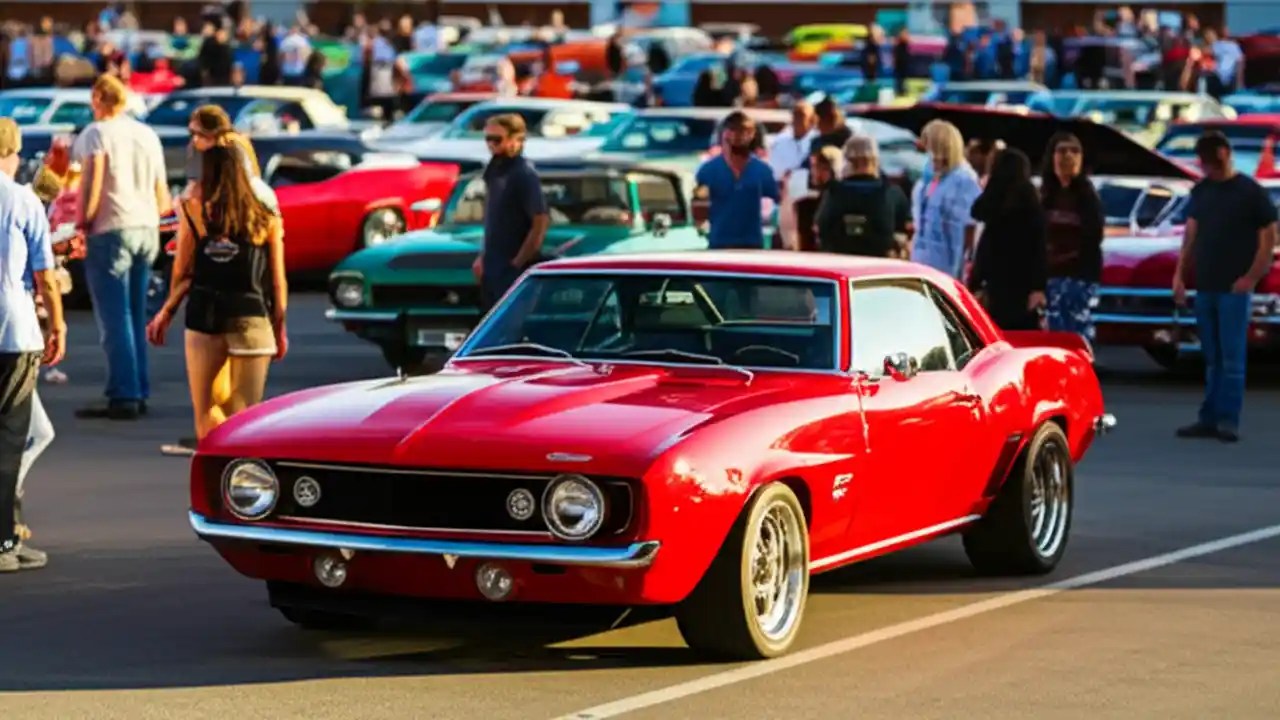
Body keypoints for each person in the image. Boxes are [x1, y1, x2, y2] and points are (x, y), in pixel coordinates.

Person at [146, 140, 288, 445]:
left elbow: (184, 271)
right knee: (248, 417)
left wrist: (166, 312)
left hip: (204, 316)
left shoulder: (193, 211)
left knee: (206, 412)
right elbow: (276, 281)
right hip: (252, 317)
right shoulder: (267, 218)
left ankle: (216, 473)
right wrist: (279, 327)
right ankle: (244, 474)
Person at [72, 74, 169, 421]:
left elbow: (92, 178)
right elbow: (162, 192)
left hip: (111, 227)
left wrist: (82, 222)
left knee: (114, 318)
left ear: (99, 98)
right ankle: (137, 387)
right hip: (146, 227)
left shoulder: (97, 134)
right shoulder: (146, 134)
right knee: (134, 312)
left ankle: (124, 394)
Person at [1174, 131, 1278, 442]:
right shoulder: (1202, 191)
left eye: (1214, 163)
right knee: (1212, 356)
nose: (1211, 170)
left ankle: (1228, 420)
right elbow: (1190, 236)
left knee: (1232, 358)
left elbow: (1268, 239)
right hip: (1206, 286)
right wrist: (1180, 276)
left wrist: (1250, 278)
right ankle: (1208, 417)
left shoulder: (1251, 193)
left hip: (1234, 289)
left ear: (1226, 155)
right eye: (1206, 165)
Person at [0, 117, 66, 573]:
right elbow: (44, 275)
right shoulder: (22, 199)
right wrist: (57, 325)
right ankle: (3, 540)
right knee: (9, 438)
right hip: (13, 329)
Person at [471, 114, 549, 311]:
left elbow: (540, 221)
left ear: (517, 139)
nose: (491, 144)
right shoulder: (495, 169)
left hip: (510, 268)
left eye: (497, 139)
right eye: (488, 139)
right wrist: (483, 256)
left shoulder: (523, 173)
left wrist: (518, 263)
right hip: (492, 267)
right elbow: (493, 219)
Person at [968, 148, 1048, 330]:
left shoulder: (994, 201)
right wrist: (1038, 286)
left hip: (995, 282)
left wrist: (975, 281)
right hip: (1023, 282)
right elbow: (1039, 247)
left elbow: (984, 242)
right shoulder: (1031, 202)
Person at [1039, 131, 1104, 342]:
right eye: (1062, 151)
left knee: (1077, 337)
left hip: (1078, 278)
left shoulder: (1087, 194)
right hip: (1049, 278)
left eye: (1074, 151)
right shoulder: (1045, 194)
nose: (1068, 156)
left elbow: (1093, 236)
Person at [814, 134, 911, 258]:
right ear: (875, 161)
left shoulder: (834, 192)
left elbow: (821, 228)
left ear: (848, 161)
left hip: (841, 265)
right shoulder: (892, 192)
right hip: (881, 268)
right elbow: (905, 230)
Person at [694, 111, 779, 250]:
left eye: (744, 131)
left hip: (752, 244)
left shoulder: (762, 170)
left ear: (752, 134)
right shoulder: (708, 170)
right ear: (724, 134)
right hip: (719, 243)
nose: (738, 136)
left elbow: (778, 201)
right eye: (733, 130)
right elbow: (698, 209)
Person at [910, 120, 981, 279]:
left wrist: (963, 267)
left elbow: (969, 228)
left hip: (948, 264)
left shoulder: (964, 180)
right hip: (921, 262)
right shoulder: (928, 178)